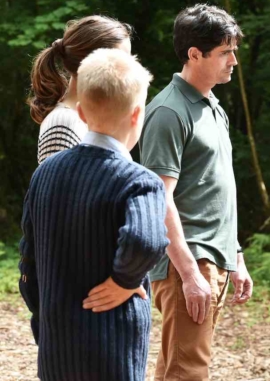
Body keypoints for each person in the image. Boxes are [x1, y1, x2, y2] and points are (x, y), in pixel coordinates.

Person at [19, 48, 168, 381]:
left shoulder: (45, 173)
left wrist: (43, 312)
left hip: (57, 344)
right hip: (111, 346)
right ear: (137, 115)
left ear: (82, 113)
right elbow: (146, 240)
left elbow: (28, 257)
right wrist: (123, 281)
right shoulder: (138, 181)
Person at [140, 4, 254, 381]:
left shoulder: (213, 107)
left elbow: (213, 188)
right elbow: (159, 198)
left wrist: (234, 253)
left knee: (187, 367)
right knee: (184, 373)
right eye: (225, 52)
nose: (234, 61)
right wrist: (189, 273)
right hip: (185, 262)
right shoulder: (168, 112)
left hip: (213, 258)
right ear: (194, 54)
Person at [28, 15, 133, 163]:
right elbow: (58, 185)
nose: (130, 68)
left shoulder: (85, 120)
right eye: (121, 60)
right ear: (90, 62)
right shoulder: (63, 123)